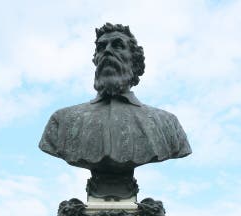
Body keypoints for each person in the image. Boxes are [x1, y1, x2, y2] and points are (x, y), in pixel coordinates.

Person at [39, 23, 191, 199]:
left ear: (134, 60)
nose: (107, 51)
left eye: (117, 46)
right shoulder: (62, 120)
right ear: (95, 59)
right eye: (101, 47)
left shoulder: (166, 123)